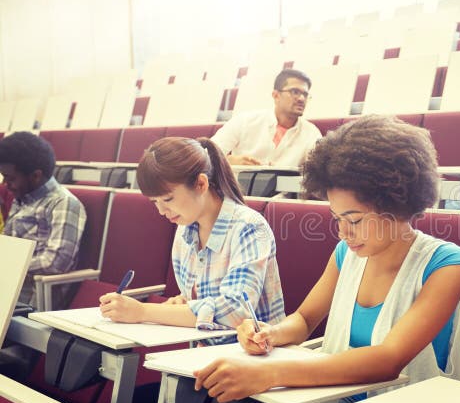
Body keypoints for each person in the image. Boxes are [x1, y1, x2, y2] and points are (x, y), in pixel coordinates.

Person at [193, 115, 460, 403]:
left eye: (354, 219)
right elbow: (304, 320)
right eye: (337, 218)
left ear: (397, 206)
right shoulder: (345, 254)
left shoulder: (448, 265)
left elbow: (389, 359)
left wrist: (269, 373)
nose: (343, 232)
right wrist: (270, 333)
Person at [98, 137, 285, 338]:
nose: (161, 210)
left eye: (168, 199)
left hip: (256, 357)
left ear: (201, 184)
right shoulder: (184, 229)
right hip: (203, 351)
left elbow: (236, 312)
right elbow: (204, 300)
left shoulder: (248, 227)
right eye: (155, 202)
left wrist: (143, 311)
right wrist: (183, 302)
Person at [0, 131, 86, 307]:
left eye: (10, 178)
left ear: (36, 175)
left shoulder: (63, 203)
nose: (5, 184)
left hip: (34, 298)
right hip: (9, 288)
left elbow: (56, 263)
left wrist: (9, 264)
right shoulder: (23, 197)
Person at [211, 69, 322, 167]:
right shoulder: (245, 121)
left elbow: (318, 171)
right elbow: (206, 155)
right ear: (276, 95)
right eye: (295, 92)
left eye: (305, 94)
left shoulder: (311, 133)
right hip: (237, 189)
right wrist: (228, 161)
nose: (302, 99)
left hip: (285, 191)